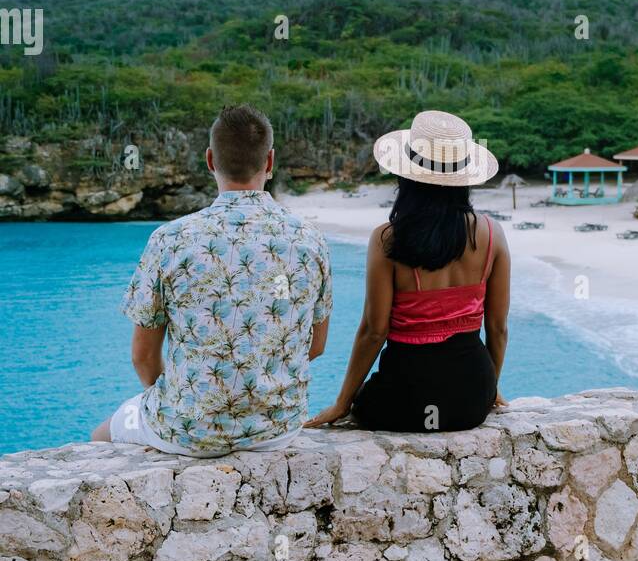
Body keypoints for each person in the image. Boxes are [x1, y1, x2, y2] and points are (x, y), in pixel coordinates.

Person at [90, 104, 331, 457]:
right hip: (277, 428)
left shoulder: (170, 239)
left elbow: (142, 356)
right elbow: (316, 345)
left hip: (188, 427)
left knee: (99, 437)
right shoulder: (310, 240)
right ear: (270, 162)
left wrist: (189, 401)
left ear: (209, 160)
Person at [306, 110, 509, 433]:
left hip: (404, 399)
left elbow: (374, 331)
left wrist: (343, 402)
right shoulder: (492, 233)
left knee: (370, 402)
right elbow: (497, 328)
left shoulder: (387, 240)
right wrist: (490, 387)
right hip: (471, 400)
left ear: (407, 176)